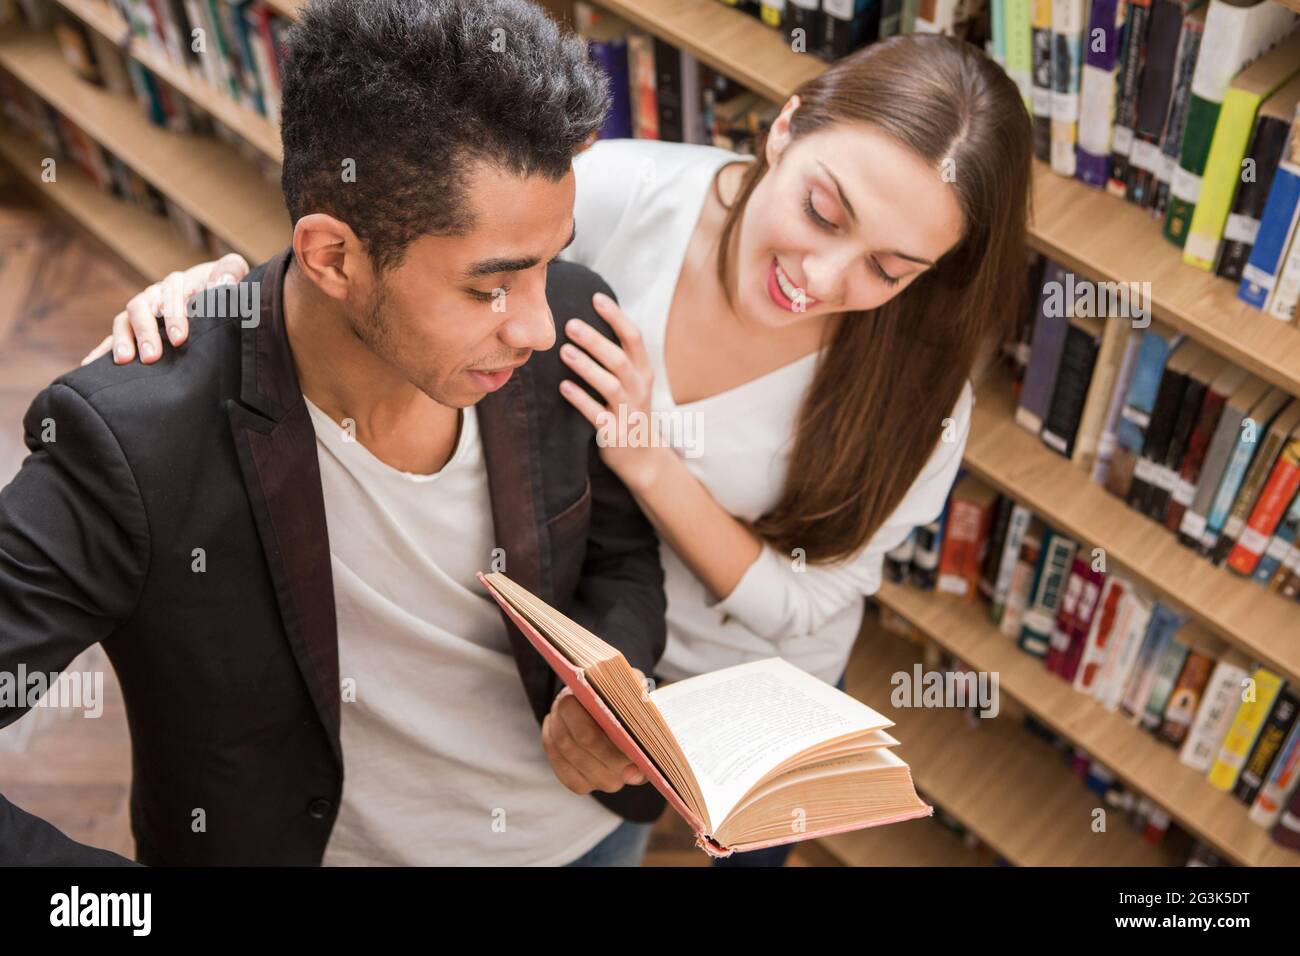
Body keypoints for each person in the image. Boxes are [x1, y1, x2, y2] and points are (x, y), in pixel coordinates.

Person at [97, 32, 1034, 866]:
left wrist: (646, 459)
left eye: (888, 270)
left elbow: (805, 607)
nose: (822, 278)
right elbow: (385, 272)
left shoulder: (922, 389)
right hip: (582, 636)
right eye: (824, 213)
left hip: (756, 699)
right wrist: (223, 302)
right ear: (783, 130)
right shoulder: (619, 196)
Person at [0, 0, 670, 866]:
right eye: (489, 287)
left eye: (551, 259)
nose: (538, 325)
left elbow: (620, 554)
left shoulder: (575, 321)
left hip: (589, 836)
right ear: (333, 257)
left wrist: (604, 688)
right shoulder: (132, 441)